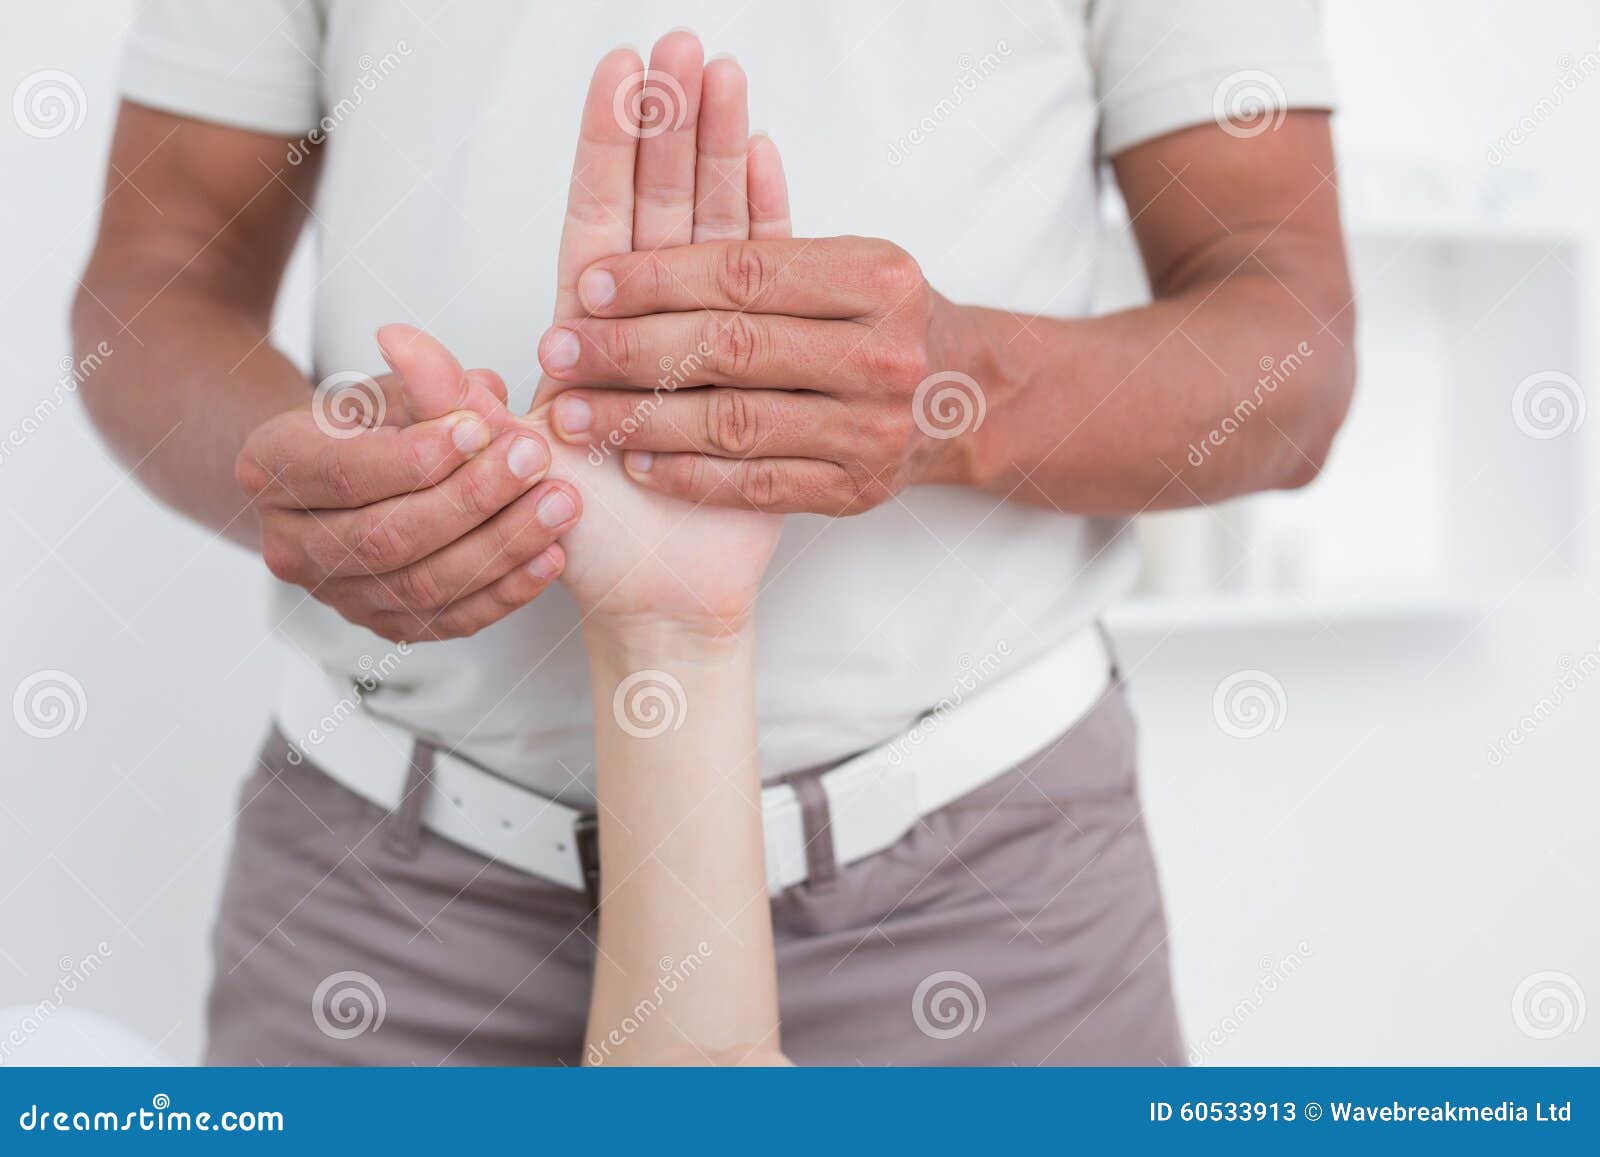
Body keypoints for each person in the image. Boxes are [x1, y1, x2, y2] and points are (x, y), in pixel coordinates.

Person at [74, 3, 1354, 1065]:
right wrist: (305, 484)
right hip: (392, 909)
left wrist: (961, 392)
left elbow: (1292, 354)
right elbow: (154, 278)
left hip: (979, 898)